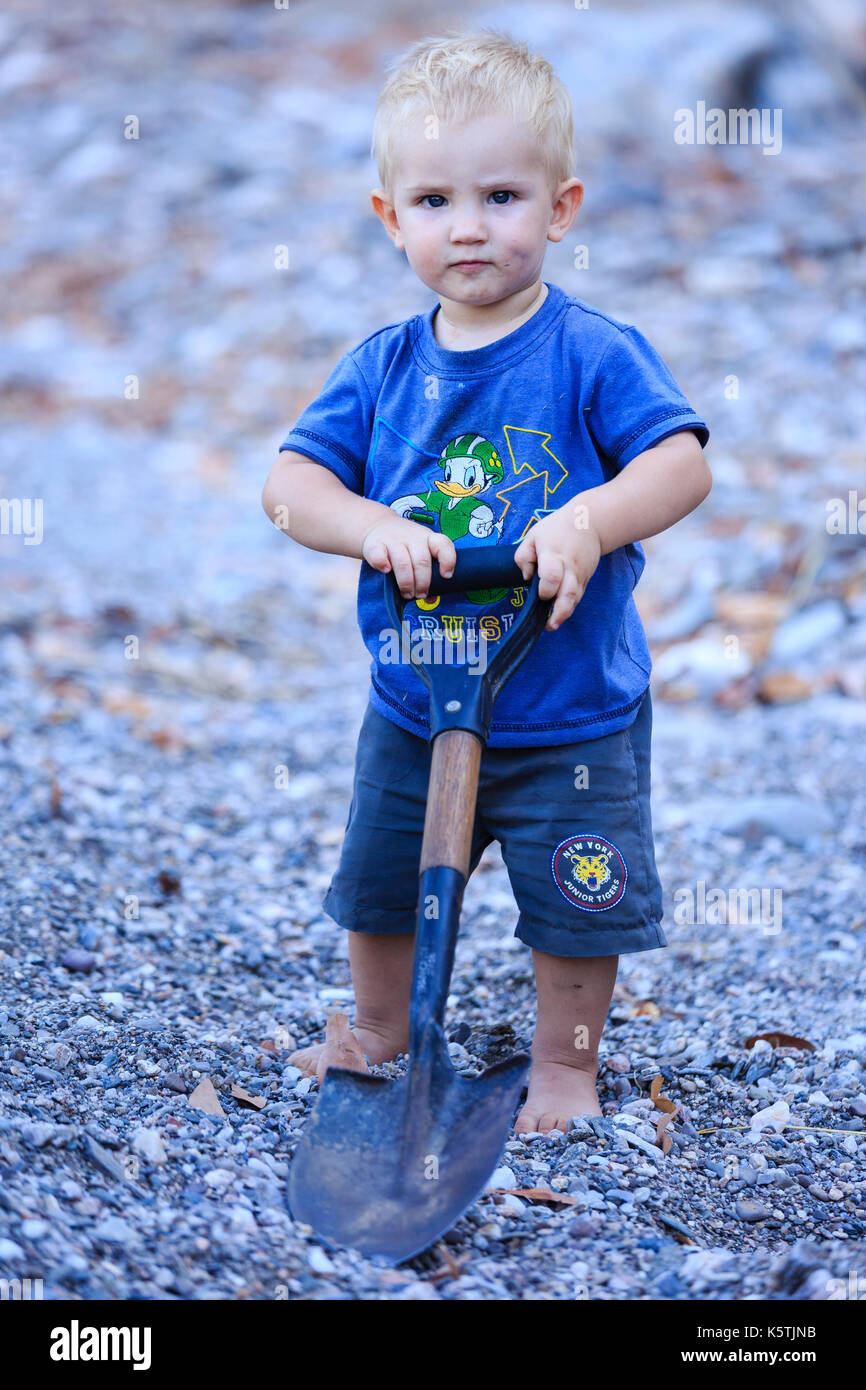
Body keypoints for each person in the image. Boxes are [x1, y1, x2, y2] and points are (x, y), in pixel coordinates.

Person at [261, 29, 711, 1134]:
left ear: (558, 210)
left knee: (577, 907)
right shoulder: (381, 370)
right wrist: (367, 524)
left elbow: (682, 463)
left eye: (501, 195)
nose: (468, 225)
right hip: (418, 699)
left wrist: (588, 520)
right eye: (433, 201)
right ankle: (382, 1029)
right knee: (383, 885)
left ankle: (562, 1069)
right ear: (389, 218)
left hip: (569, 713)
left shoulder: (590, 353)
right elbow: (287, 484)